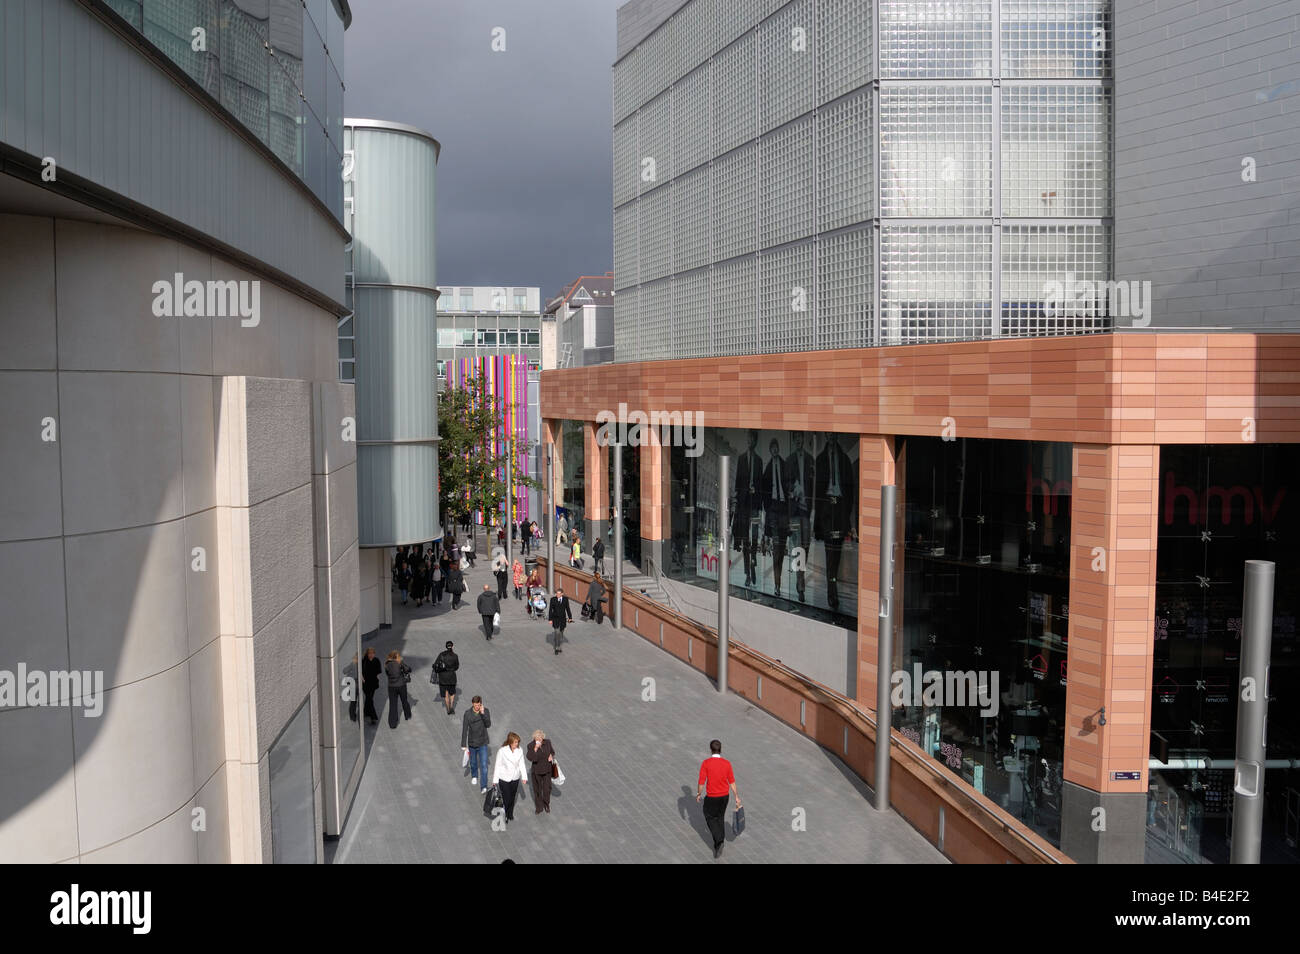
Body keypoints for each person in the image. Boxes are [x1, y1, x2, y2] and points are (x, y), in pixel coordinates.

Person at [814, 432, 857, 610]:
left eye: (834, 434)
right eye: (828, 434)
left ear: (837, 436)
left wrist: (847, 514)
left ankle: (833, 587)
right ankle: (832, 594)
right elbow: (816, 489)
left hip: (839, 507)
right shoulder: (821, 459)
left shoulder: (845, 459)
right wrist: (817, 518)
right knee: (829, 551)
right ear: (826, 436)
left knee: (836, 552)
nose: (831, 436)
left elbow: (850, 489)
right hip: (826, 507)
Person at [696, 739, 742, 859]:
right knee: (720, 817)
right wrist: (736, 796)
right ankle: (718, 845)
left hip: (712, 796)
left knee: (710, 816)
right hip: (724, 797)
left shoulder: (706, 763)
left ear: (711, 750)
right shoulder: (727, 764)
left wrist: (699, 794)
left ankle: (719, 840)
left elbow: (701, 782)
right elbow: (732, 781)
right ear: (720, 749)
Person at [785, 431, 815, 603]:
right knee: (798, 547)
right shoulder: (789, 460)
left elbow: (814, 484)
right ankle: (800, 586)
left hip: (807, 511)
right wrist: (792, 488)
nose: (798, 440)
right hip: (795, 511)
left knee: (806, 547)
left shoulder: (811, 460)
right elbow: (785, 482)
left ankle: (800, 579)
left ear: (803, 439)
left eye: (800, 438)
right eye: (795, 438)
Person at [734, 429, 763, 588]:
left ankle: (753, 567)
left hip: (755, 506)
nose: (749, 440)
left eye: (752, 438)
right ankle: (747, 573)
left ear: (755, 441)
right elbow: (738, 484)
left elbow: (761, 484)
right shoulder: (741, 459)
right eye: (748, 438)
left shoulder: (759, 461)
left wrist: (756, 491)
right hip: (744, 506)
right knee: (746, 541)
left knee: (754, 539)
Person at [762, 437, 789, 597]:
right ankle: (777, 584)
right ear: (770, 450)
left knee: (781, 546)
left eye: (776, 447)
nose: (774, 450)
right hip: (773, 509)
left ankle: (778, 579)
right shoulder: (767, 468)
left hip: (784, 509)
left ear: (778, 449)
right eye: (772, 448)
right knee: (777, 547)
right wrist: (767, 507)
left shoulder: (784, 465)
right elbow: (764, 489)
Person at [491, 732, 528, 824]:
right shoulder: (502, 751)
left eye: (518, 742)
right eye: (515, 742)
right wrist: (495, 780)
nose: (517, 744)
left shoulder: (520, 750)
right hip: (504, 778)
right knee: (506, 798)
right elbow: (498, 765)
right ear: (510, 742)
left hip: (515, 778)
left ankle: (510, 813)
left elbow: (522, 764)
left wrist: (524, 777)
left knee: (512, 797)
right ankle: (505, 814)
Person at [461, 696, 493, 793]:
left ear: (481, 704)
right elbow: (465, 729)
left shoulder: (485, 711)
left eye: (479, 705)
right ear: (472, 704)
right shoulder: (467, 714)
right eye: (476, 705)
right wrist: (463, 744)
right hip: (472, 743)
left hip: (482, 742)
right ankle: (474, 775)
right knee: (473, 762)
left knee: (484, 765)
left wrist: (483, 713)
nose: (477, 707)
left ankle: (484, 786)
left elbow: (488, 724)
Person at [525, 730, 557, 814]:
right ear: (534, 739)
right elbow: (530, 758)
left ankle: (546, 804)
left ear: (543, 737)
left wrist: (551, 756)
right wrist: (535, 748)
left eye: (540, 739)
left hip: (547, 770)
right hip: (537, 771)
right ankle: (539, 807)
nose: (539, 740)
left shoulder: (548, 742)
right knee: (537, 790)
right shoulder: (531, 745)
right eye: (537, 739)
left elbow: (552, 752)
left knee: (547, 789)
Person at [385, 650, 412, 729]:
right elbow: (408, 669)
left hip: (391, 687)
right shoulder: (399, 663)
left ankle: (392, 724)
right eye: (398, 656)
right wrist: (402, 662)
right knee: (404, 700)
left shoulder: (387, 664)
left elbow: (387, 674)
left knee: (393, 704)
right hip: (401, 685)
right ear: (396, 657)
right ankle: (407, 715)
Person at [433, 640, 459, 715]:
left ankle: (448, 709)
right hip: (452, 677)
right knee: (453, 693)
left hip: (443, 677)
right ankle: (451, 707)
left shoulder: (441, 655)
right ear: (452, 646)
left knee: (446, 694)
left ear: (446, 646)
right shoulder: (455, 656)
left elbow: (436, 664)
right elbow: (457, 667)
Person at [548, 586, 573, 654]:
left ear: (562, 594)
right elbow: (550, 610)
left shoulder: (565, 599)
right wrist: (550, 619)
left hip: (563, 619)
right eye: (556, 593)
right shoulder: (552, 599)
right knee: (557, 633)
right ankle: (556, 647)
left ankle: (559, 645)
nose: (557, 595)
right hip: (555, 619)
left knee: (561, 634)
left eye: (559, 594)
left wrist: (570, 617)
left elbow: (568, 609)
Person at [361, 646, 381, 724]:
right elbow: (360, 671)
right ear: (367, 654)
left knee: (369, 698)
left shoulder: (377, 660)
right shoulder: (364, 661)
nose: (371, 655)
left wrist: (377, 677)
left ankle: (365, 712)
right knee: (370, 699)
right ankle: (373, 717)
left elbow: (378, 671)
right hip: (366, 684)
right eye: (370, 653)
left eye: (373, 653)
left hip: (373, 683)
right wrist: (362, 678)